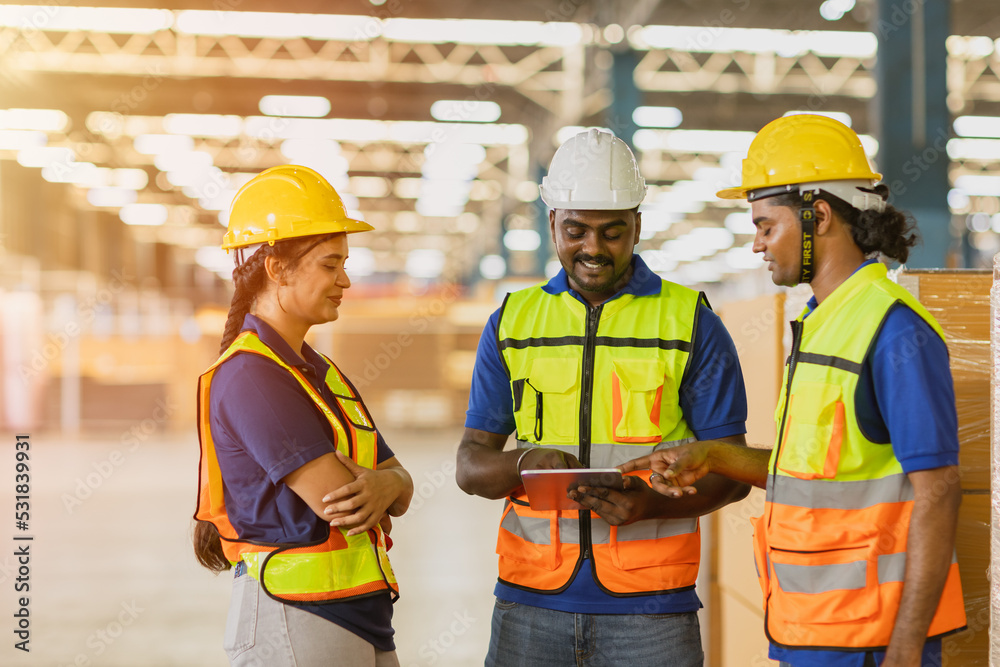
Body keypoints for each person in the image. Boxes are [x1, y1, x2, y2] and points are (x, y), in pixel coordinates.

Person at [622, 114, 967, 667]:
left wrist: (905, 648)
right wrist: (712, 455)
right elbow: (814, 476)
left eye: (766, 225)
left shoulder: (893, 329)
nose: (757, 244)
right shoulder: (822, 321)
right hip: (809, 633)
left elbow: (938, 490)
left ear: (820, 215)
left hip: (872, 644)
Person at [456, 128, 751, 667]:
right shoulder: (511, 323)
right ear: (552, 224)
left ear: (637, 225)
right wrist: (524, 463)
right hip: (529, 605)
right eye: (576, 230)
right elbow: (470, 467)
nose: (592, 248)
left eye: (612, 232)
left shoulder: (693, 324)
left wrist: (650, 505)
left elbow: (733, 472)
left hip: (653, 613)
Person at [193, 164, 413, 667]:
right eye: (330, 264)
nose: (346, 280)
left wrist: (388, 485)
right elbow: (339, 502)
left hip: (360, 613)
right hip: (293, 618)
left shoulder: (320, 371)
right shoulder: (251, 377)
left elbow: (399, 485)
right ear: (277, 269)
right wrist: (387, 485)